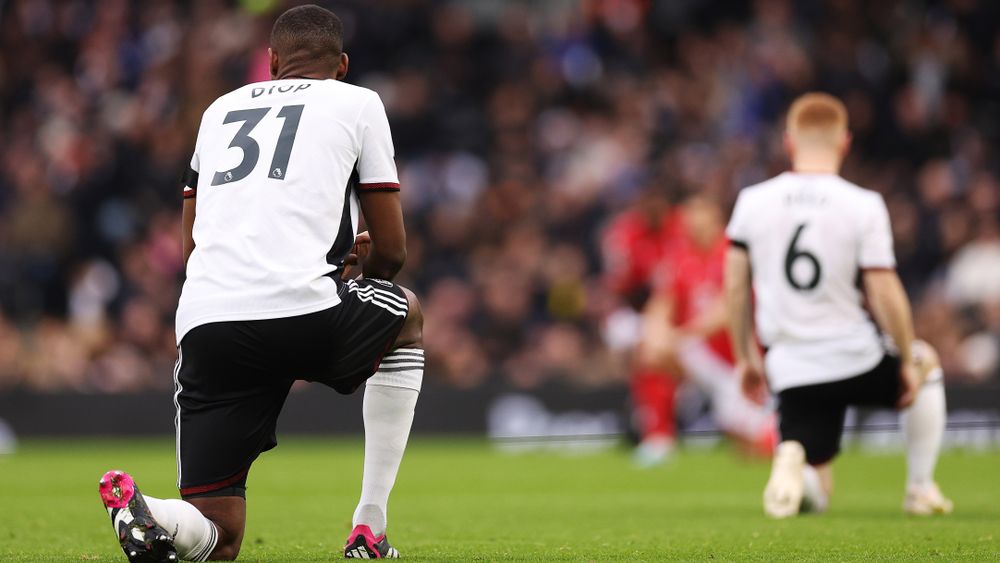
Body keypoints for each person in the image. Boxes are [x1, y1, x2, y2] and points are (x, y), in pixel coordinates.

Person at [98, 5, 421, 560]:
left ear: (270, 63)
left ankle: (146, 507)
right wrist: (351, 275)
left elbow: (191, 247)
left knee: (217, 534)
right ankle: (370, 525)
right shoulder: (359, 102)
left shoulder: (218, 111)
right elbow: (391, 250)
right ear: (341, 64)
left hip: (207, 322)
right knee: (407, 315)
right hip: (306, 310)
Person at [724, 92, 952, 518]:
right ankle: (920, 488)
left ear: (789, 142)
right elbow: (883, 290)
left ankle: (792, 453)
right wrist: (905, 355)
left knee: (819, 489)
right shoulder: (863, 204)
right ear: (844, 142)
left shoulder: (752, 201)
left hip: (791, 365)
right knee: (928, 360)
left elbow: (736, 289)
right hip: (854, 356)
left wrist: (745, 358)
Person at [639, 195, 776, 456]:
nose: (693, 221)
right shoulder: (681, 256)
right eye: (689, 214)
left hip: (741, 361)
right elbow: (663, 301)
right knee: (650, 352)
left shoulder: (734, 251)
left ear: (716, 216)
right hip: (704, 356)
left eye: (700, 212)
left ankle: (747, 425)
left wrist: (679, 336)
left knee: (760, 448)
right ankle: (658, 440)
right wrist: (654, 330)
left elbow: (728, 308)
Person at [601, 183, 684, 466]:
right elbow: (621, 285)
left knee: (652, 354)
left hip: (683, 313)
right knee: (634, 344)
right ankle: (646, 419)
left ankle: (657, 419)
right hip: (639, 309)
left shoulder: (681, 230)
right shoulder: (627, 233)